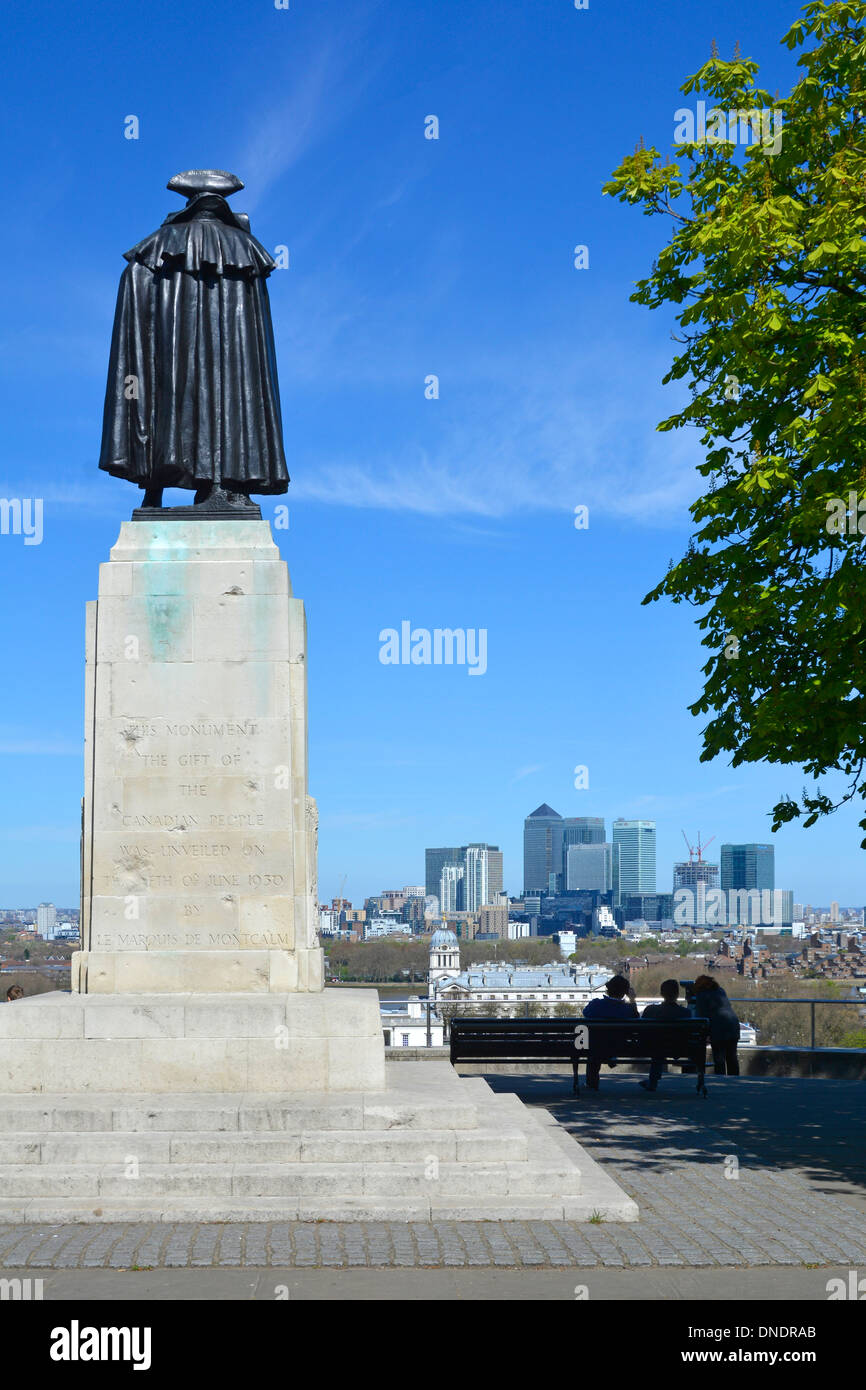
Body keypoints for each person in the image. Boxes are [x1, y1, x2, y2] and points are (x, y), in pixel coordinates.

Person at [581, 975, 638, 1090]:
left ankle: (592, 1082)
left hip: (596, 1046)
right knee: (610, 1040)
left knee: (595, 1045)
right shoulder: (628, 1009)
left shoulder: (596, 1004)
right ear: (625, 992)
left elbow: (586, 1013)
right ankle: (611, 1056)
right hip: (620, 1046)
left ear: (607, 990)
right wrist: (632, 1000)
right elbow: (636, 1019)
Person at [639, 979, 690, 1091]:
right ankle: (653, 1081)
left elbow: (641, 1030)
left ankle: (653, 1081)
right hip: (678, 1048)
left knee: (657, 1044)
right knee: (661, 1044)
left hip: (652, 1046)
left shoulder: (650, 1010)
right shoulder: (685, 1013)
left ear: (661, 993)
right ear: (677, 994)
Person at [692, 974, 740, 1075]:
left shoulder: (702, 995)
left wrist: (704, 1033)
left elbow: (701, 1017)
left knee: (719, 1060)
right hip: (733, 1025)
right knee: (732, 1058)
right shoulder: (721, 990)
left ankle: (721, 1082)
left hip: (718, 1028)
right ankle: (735, 1081)